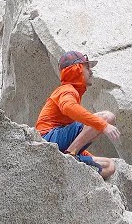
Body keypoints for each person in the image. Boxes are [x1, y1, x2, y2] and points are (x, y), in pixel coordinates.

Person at [36, 50, 121, 179]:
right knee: (107, 117)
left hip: (59, 142)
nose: (91, 72)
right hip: (47, 139)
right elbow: (68, 107)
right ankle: (70, 156)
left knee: (109, 166)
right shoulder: (67, 90)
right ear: (77, 70)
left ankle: (72, 161)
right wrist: (104, 125)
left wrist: (83, 153)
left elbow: (74, 133)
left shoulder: (72, 92)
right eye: (87, 68)